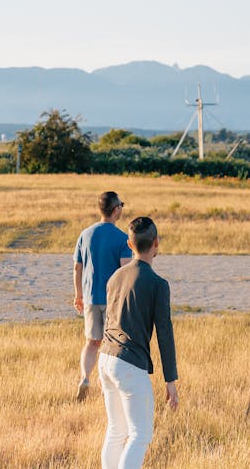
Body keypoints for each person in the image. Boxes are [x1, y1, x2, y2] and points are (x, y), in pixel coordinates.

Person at [97, 216, 178, 469]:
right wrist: (171, 381)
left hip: (105, 359)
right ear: (156, 243)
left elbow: (108, 319)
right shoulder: (158, 284)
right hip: (129, 364)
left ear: (130, 245)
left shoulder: (114, 277)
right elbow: (164, 334)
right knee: (140, 435)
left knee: (116, 430)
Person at [73, 191, 132, 400]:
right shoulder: (122, 239)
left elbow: (77, 267)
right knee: (112, 344)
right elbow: (125, 272)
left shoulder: (85, 234)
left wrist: (78, 294)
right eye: (121, 205)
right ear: (116, 210)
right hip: (112, 300)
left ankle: (85, 377)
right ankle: (106, 383)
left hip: (89, 297)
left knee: (91, 342)